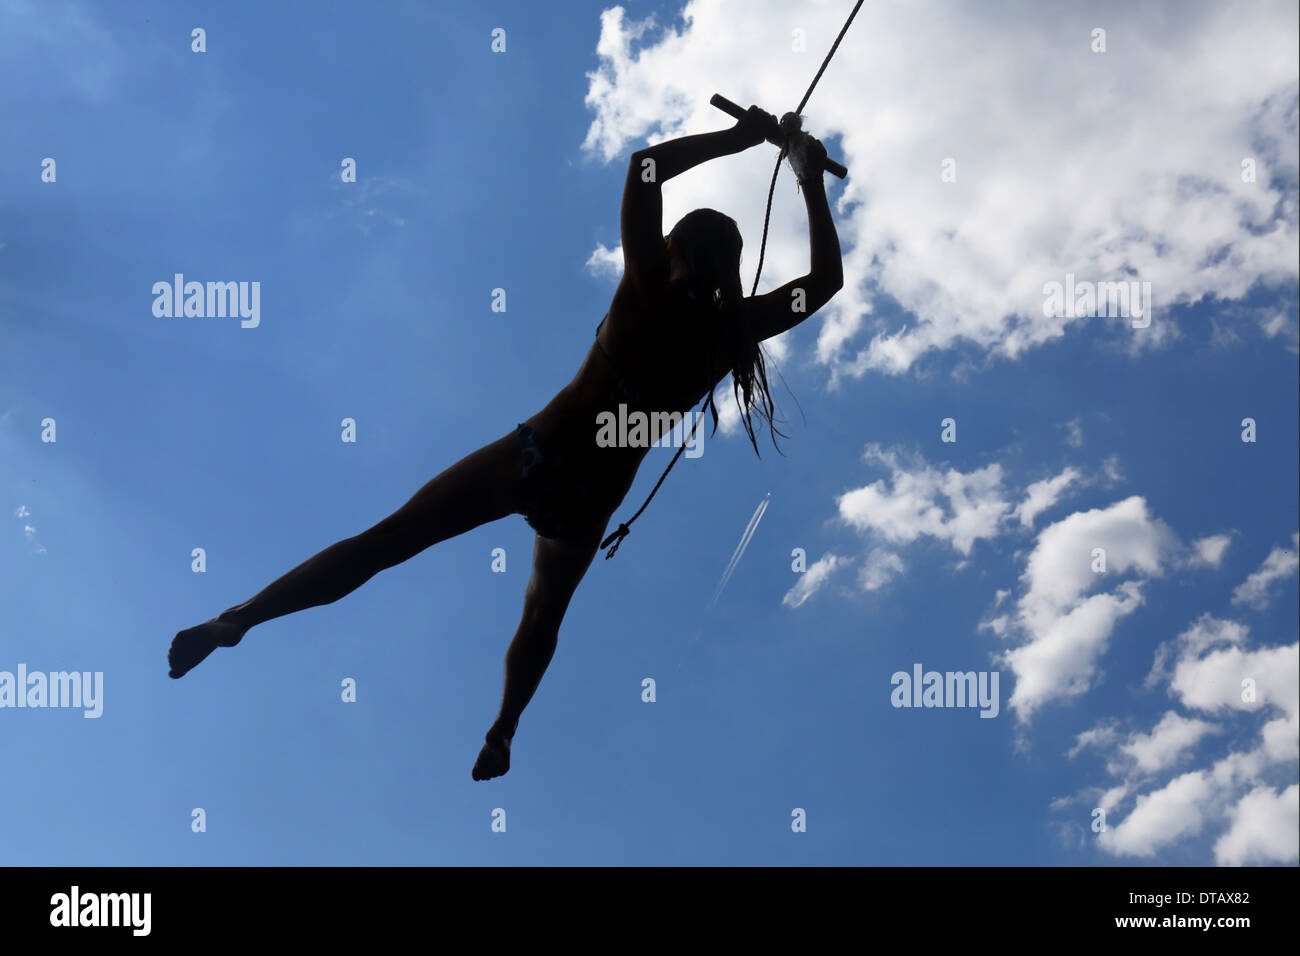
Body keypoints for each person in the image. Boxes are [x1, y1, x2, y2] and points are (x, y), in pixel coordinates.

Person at [167, 106, 844, 780]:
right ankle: (503, 727)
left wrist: (738, 139)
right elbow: (824, 283)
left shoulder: (645, 289)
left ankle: (241, 618)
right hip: (589, 499)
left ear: (673, 250)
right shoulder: (734, 334)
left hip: (536, 455)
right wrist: (807, 177)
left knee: (388, 541)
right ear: (731, 267)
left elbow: (644, 165)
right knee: (543, 614)